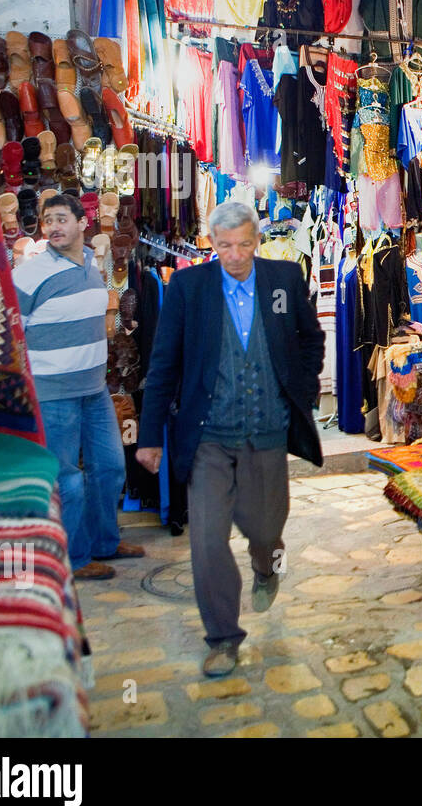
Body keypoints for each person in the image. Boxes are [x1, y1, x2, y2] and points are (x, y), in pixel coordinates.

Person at [137, 201, 325, 677]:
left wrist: (299, 392)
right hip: (208, 437)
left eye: (244, 244)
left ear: (256, 240)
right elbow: (163, 363)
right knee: (206, 540)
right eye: (225, 246)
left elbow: (310, 338)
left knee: (265, 530)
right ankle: (222, 637)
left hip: (266, 432)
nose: (236, 255)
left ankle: (266, 567)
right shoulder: (188, 288)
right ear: (211, 244)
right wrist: (149, 436)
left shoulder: (282, 280)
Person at [12, 193, 143, 580]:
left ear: (82, 223)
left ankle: (105, 541)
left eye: (61, 219)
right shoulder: (29, 274)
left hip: (94, 388)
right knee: (66, 476)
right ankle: (75, 558)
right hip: (53, 392)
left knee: (110, 467)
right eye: (47, 220)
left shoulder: (92, 262)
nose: (53, 227)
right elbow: (10, 329)